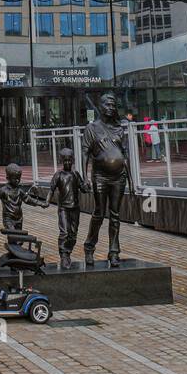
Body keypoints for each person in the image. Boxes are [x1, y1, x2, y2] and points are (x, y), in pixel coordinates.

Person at [82, 91, 134, 268]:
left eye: (113, 105)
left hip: (119, 177)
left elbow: (124, 156)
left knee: (115, 215)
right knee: (99, 212)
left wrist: (132, 181)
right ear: (100, 106)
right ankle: (89, 247)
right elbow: (85, 154)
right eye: (107, 105)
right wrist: (84, 177)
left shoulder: (120, 129)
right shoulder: (92, 128)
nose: (111, 108)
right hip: (100, 176)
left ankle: (114, 252)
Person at [43, 147, 88, 269]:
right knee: (64, 232)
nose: (67, 163)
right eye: (65, 161)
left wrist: (87, 185)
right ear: (61, 161)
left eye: (70, 160)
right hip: (63, 208)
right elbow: (51, 190)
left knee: (73, 233)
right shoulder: (58, 175)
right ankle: (63, 255)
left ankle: (68, 252)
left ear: (72, 160)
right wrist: (47, 201)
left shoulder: (75, 174)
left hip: (75, 208)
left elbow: (83, 189)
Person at [0, 162, 44, 236]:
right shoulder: (3, 190)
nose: (17, 180)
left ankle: (16, 245)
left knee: (19, 239)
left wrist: (41, 203)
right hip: (8, 219)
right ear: (8, 178)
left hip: (19, 218)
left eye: (19, 178)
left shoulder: (19, 191)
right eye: (15, 178)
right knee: (13, 235)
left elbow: (28, 199)